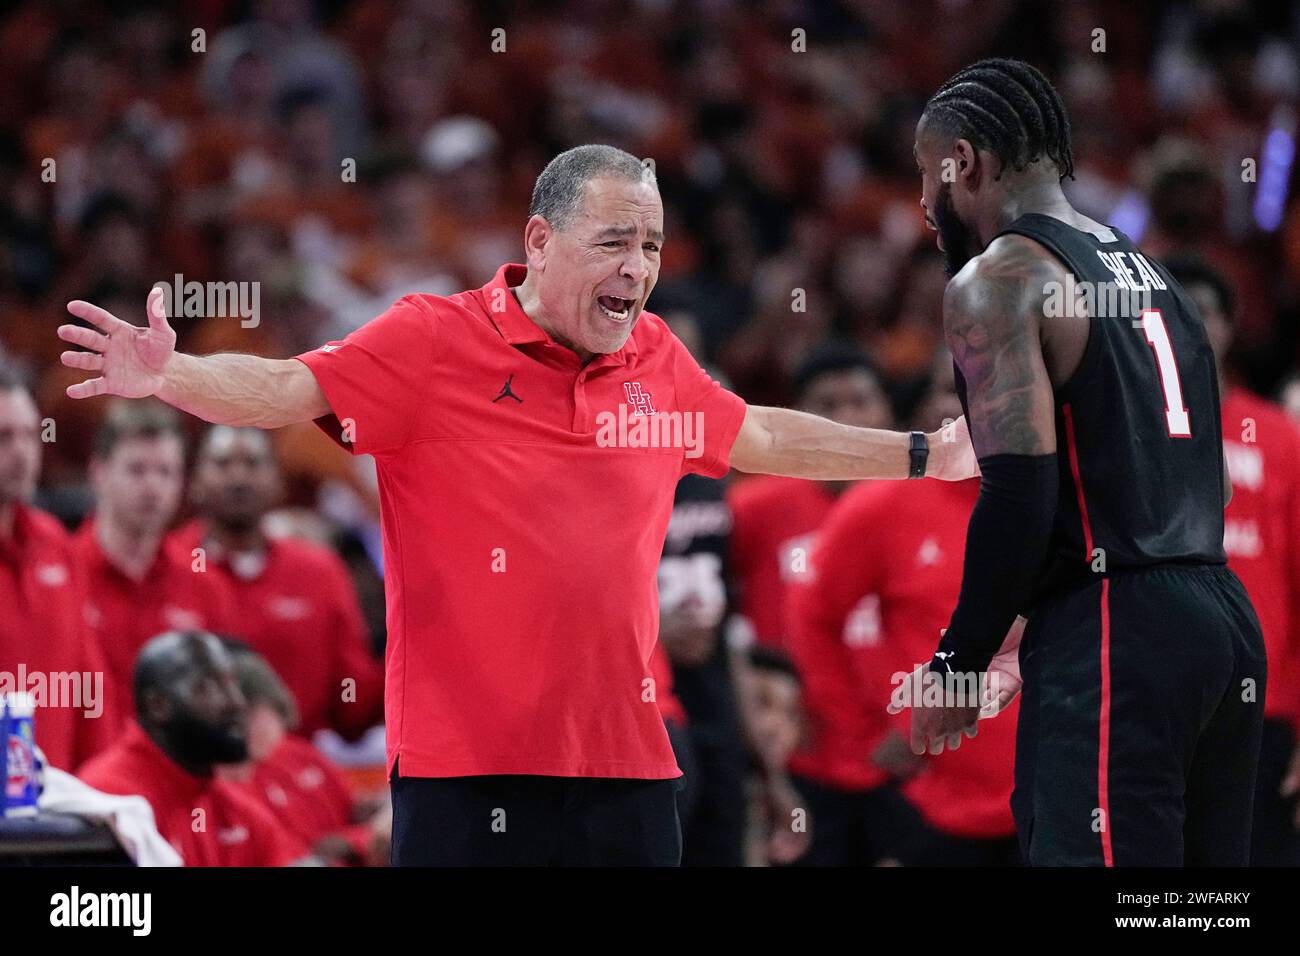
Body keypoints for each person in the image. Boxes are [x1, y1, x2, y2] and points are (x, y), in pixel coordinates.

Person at [58, 144, 976, 866]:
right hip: (465, 774)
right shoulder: (429, 340)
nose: (639, 266)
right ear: (539, 242)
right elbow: (283, 388)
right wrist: (169, 374)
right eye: (614, 242)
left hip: (628, 768)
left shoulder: (655, 354)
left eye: (651, 245)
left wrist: (924, 453)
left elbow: (760, 439)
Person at [903, 57, 1264, 866]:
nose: (925, 208)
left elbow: (1020, 494)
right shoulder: (1158, 278)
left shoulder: (1000, 278)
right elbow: (1189, 484)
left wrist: (957, 664)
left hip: (1118, 637)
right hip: (1221, 625)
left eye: (926, 177)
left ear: (962, 163)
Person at [1165, 255, 1300, 866]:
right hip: (1152, 703)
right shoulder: (1111, 429)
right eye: (1172, 309)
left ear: (1230, 324)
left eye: (1206, 310)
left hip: (1261, 710)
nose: (1190, 324)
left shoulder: (1279, 438)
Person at [178, 425, 383, 740]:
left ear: (277, 482)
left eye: (253, 464)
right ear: (195, 482)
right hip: (191, 769)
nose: (238, 477)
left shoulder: (318, 572)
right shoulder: (166, 568)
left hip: (295, 770)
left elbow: (352, 706)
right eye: (222, 464)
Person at [73, 400, 236, 733]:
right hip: (79, 779)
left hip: (175, 775)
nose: (152, 486)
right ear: (98, 473)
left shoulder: (205, 585)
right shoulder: (61, 576)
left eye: (166, 471)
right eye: (136, 469)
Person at [78, 630, 307, 866]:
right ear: (158, 706)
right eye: (208, 688)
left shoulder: (240, 813)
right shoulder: (108, 800)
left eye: (231, 684)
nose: (236, 702)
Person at [728, 342, 894, 652]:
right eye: (827, 405)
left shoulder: (917, 505)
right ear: (797, 417)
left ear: (887, 409)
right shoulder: (752, 507)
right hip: (790, 692)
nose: (845, 418)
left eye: (860, 401)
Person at [0, 365, 112, 769]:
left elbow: (88, 677)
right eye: (5, 437)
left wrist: (100, 784)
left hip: (56, 806)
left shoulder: (56, 544)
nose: (22, 452)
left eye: (30, 435)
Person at [217, 640, 390, 866]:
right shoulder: (223, 783)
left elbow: (358, 812)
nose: (277, 722)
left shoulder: (300, 754)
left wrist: (360, 836)